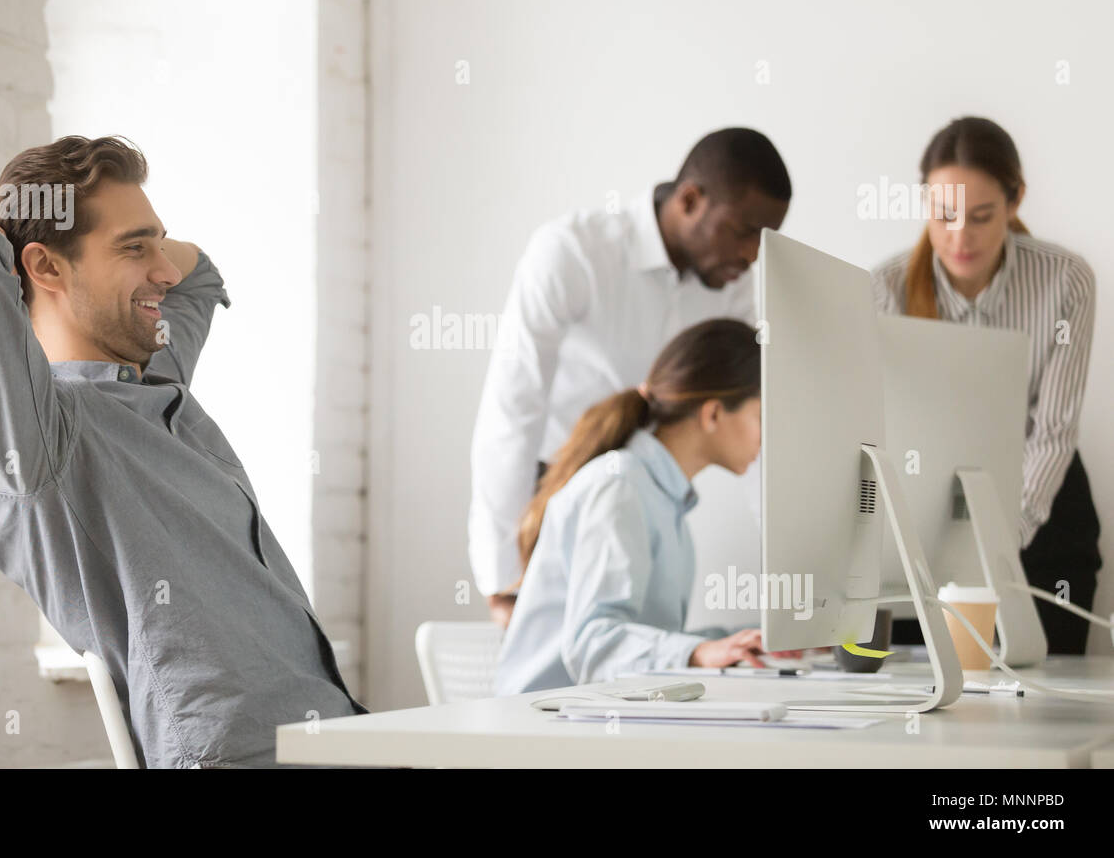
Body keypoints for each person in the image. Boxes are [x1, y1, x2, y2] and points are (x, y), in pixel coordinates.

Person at [0, 135, 366, 767]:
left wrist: (129, 244)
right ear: (43, 268)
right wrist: (14, 223)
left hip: (338, 737)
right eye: (133, 247)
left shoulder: (153, 376)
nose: (166, 271)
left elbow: (199, 274)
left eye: (156, 242)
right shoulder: (38, 436)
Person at [469, 128, 792, 627]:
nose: (753, 255)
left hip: (646, 500)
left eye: (765, 239)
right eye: (745, 230)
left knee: (633, 664)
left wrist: (794, 576)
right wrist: (503, 581)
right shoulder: (573, 253)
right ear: (690, 200)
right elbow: (513, 408)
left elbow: (759, 427)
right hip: (551, 491)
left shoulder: (732, 287)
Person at [872, 116, 1100, 654]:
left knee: (1045, 692)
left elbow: (1054, 429)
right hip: (925, 518)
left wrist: (1000, 543)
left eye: (981, 216)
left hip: (1041, 512)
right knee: (927, 693)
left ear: (1015, 200)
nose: (960, 237)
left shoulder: (1067, 280)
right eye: (944, 215)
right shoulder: (884, 288)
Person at [493, 319, 802, 696]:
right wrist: (700, 652)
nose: (765, 436)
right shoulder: (620, 487)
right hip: (539, 731)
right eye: (760, 417)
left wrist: (740, 641)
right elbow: (594, 646)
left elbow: (648, 643)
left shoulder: (663, 502)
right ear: (713, 414)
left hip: (592, 717)